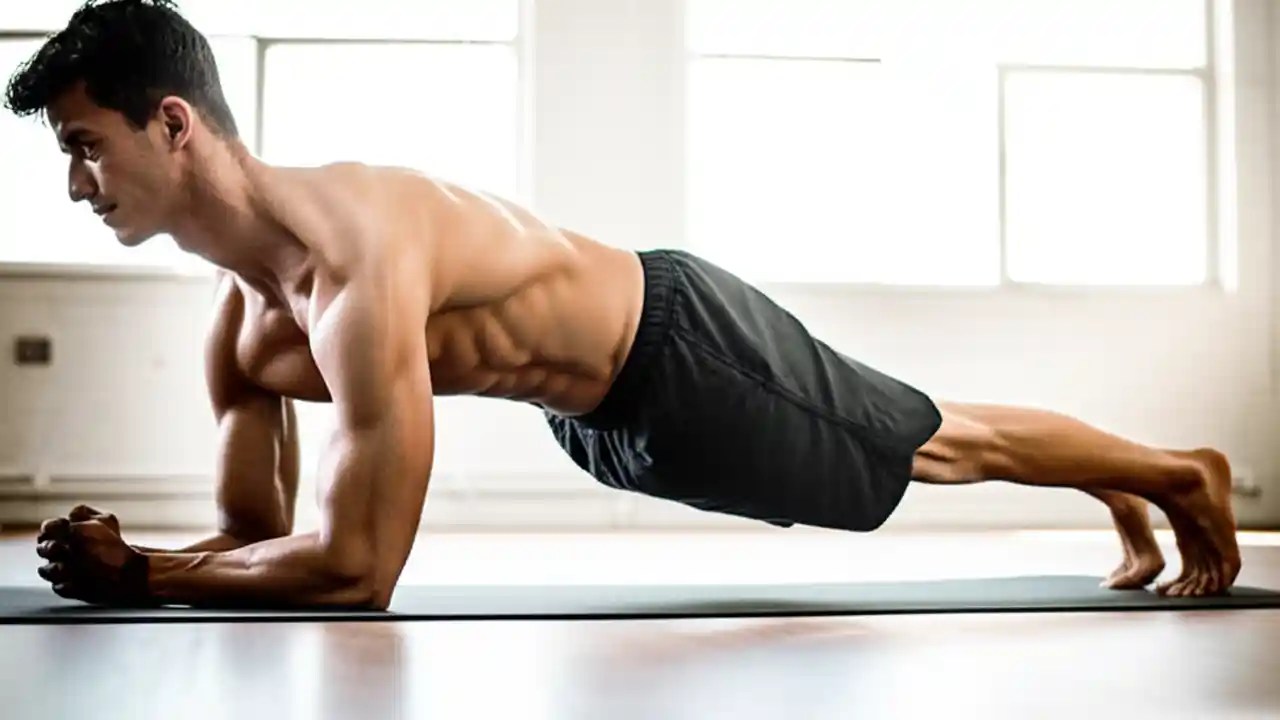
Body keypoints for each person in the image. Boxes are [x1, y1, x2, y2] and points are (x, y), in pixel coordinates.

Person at [5, 0, 1239, 609]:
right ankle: (1122, 486)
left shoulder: (355, 254)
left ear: (173, 124)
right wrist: (140, 558)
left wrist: (154, 574)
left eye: (87, 146)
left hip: (677, 344)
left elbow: (357, 569)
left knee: (929, 444)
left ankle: (1179, 475)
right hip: (606, 420)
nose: (75, 183)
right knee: (921, 438)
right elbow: (255, 535)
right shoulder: (242, 326)